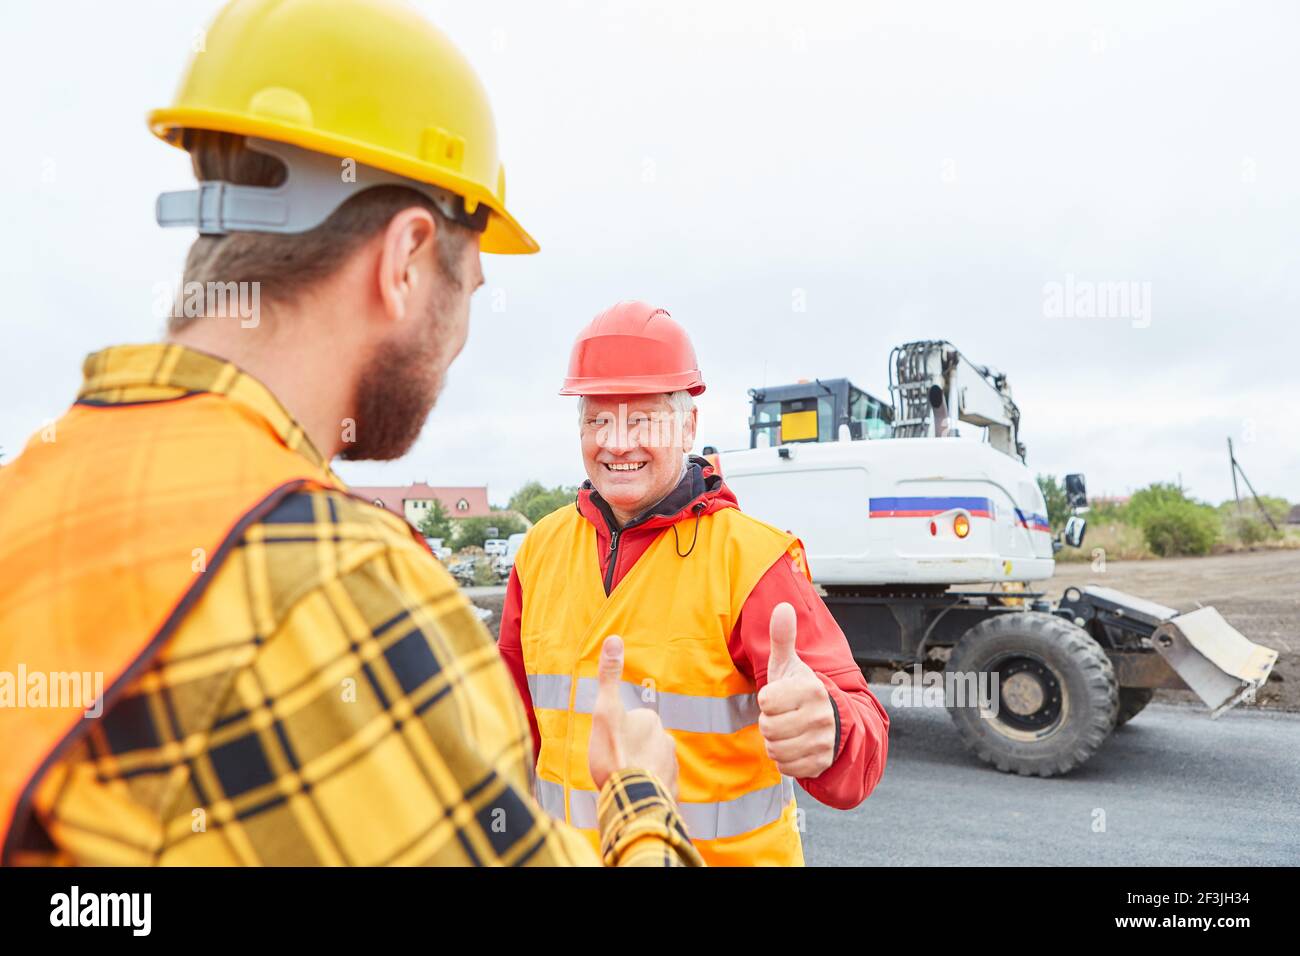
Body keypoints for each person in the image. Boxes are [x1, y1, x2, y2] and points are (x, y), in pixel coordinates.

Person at [0, 0, 701, 867]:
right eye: (471, 288)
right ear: (405, 259)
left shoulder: (28, 496)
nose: (462, 342)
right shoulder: (337, 590)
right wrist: (640, 801)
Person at [497, 301, 891, 866]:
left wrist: (830, 727)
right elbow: (508, 730)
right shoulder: (540, 551)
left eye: (644, 419)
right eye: (598, 419)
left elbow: (863, 748)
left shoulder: (752, 560)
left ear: (688, 426)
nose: (618, 442)